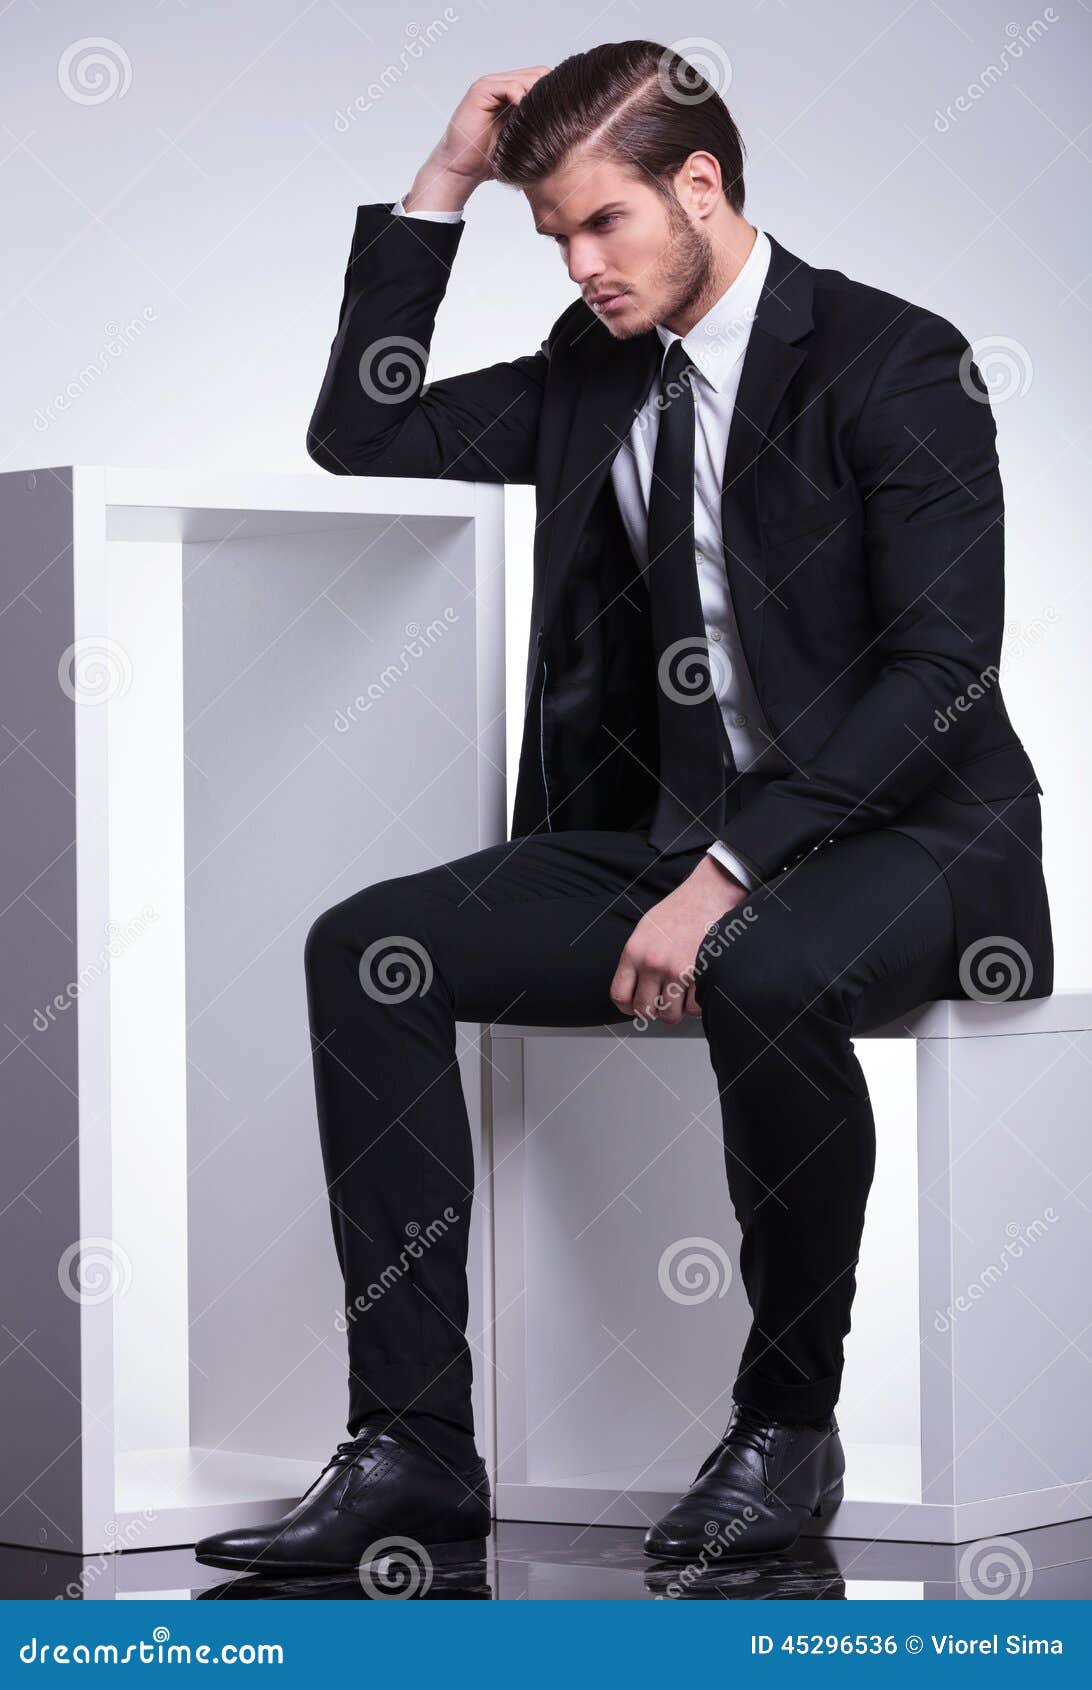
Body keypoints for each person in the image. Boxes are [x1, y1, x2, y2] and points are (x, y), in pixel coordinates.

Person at [195, 39, 1052, 1577]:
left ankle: (786, 1424)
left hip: (913, 837)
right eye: (556, 238)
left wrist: (730, 869)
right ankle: (413, 1450)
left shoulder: (892, 358)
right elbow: (364, 431)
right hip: (672, 841)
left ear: (702, 186)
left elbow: (943, 667)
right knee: (366, 947)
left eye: (605, 225)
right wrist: (445, 187)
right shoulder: (601, 371)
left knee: (764, 965)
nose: (582, 267)